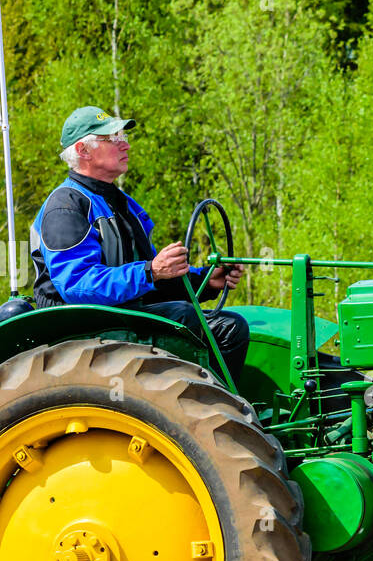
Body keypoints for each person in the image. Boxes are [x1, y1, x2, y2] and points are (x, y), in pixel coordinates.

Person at [29, 106, 249, 376]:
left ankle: (223, 409)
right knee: (182, 316)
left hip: (116, 313)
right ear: (83, 150)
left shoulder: (123, 204)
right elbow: (76, 286)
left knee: (231, 328)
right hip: (78, 325)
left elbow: (149, 280)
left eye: (124, 137)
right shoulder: (66, 206)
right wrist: (152, 270)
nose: (125, 145)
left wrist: (203, 281)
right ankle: (190, 411)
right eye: (113, 138)